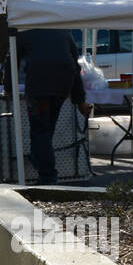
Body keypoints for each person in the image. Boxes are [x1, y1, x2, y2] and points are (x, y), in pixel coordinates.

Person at [15, 26, 93, 186]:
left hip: (39, 86)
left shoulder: (23, 32)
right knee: (47, 129)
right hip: (63, 85)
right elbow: (75, 64)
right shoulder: (63, 31)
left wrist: (8, 88)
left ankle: (48, 176)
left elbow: (12, 61)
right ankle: (40, 162)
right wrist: (79, 99)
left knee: (40, 131)